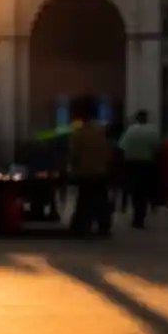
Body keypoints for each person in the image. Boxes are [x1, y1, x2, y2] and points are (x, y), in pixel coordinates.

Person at [67, 96, 114, 237]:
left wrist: (72, 170)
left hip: (85, 172)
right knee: (101, 200)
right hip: (100, 171)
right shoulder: (101, 131)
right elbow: (109, 151)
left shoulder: (78, 133)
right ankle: (103, 227)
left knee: (84, 201)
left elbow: (74, 155)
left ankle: (81, 227)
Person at [117, 110, 160, 229]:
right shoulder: (152, 131)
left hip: (131, 164)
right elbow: (157, 148)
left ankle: (136, 215)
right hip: (147, 164)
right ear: (146, 118)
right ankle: (141, 216)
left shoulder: (130, 131)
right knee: (144, 191)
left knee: (134, 191)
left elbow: (122, 147)